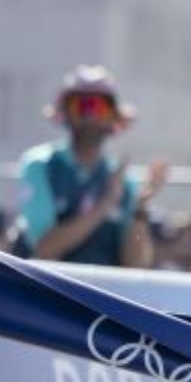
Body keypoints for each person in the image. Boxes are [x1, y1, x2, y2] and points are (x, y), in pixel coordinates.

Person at [13, 66, 162, 268]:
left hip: (102, 297)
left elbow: (136, 264)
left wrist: (141, 208)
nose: (89, 115)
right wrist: (106, 202)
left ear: (113, 117)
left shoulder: (125, 180)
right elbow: (44, 249)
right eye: (80, 106)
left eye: (99, 107)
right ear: (65, 113)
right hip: (47, 296)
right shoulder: (40, 165)